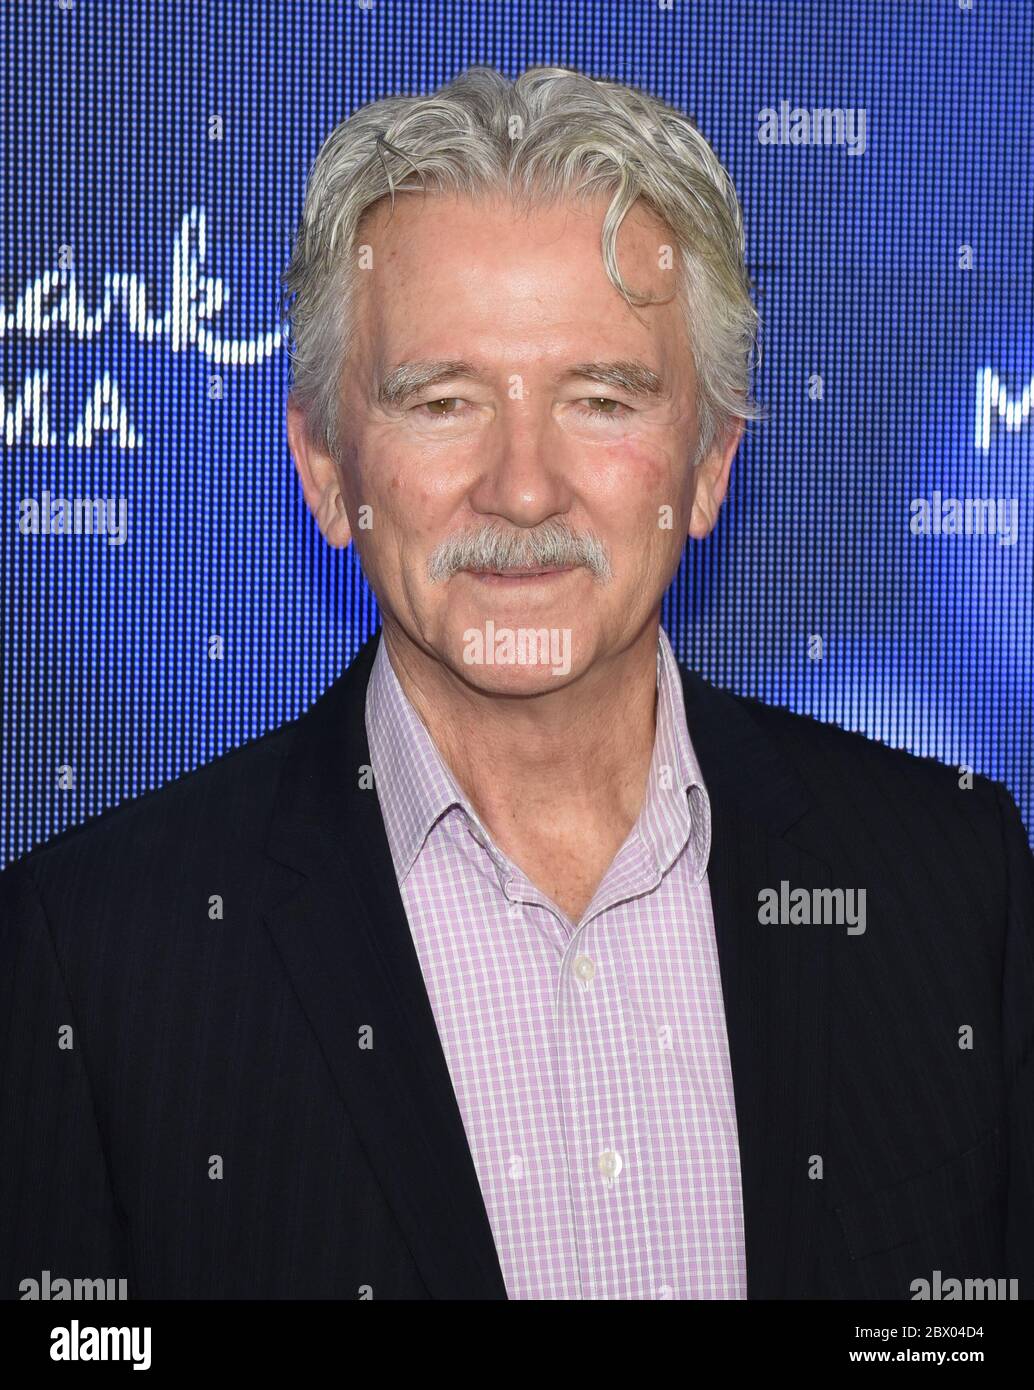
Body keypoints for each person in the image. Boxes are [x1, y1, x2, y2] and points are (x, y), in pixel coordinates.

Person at [2, 65, 1031, 1301]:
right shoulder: (98, 957)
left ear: (708, 465)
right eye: (441, 402)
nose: (524, 488)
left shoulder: (948, 885)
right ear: (325, 468)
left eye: (601, 399)